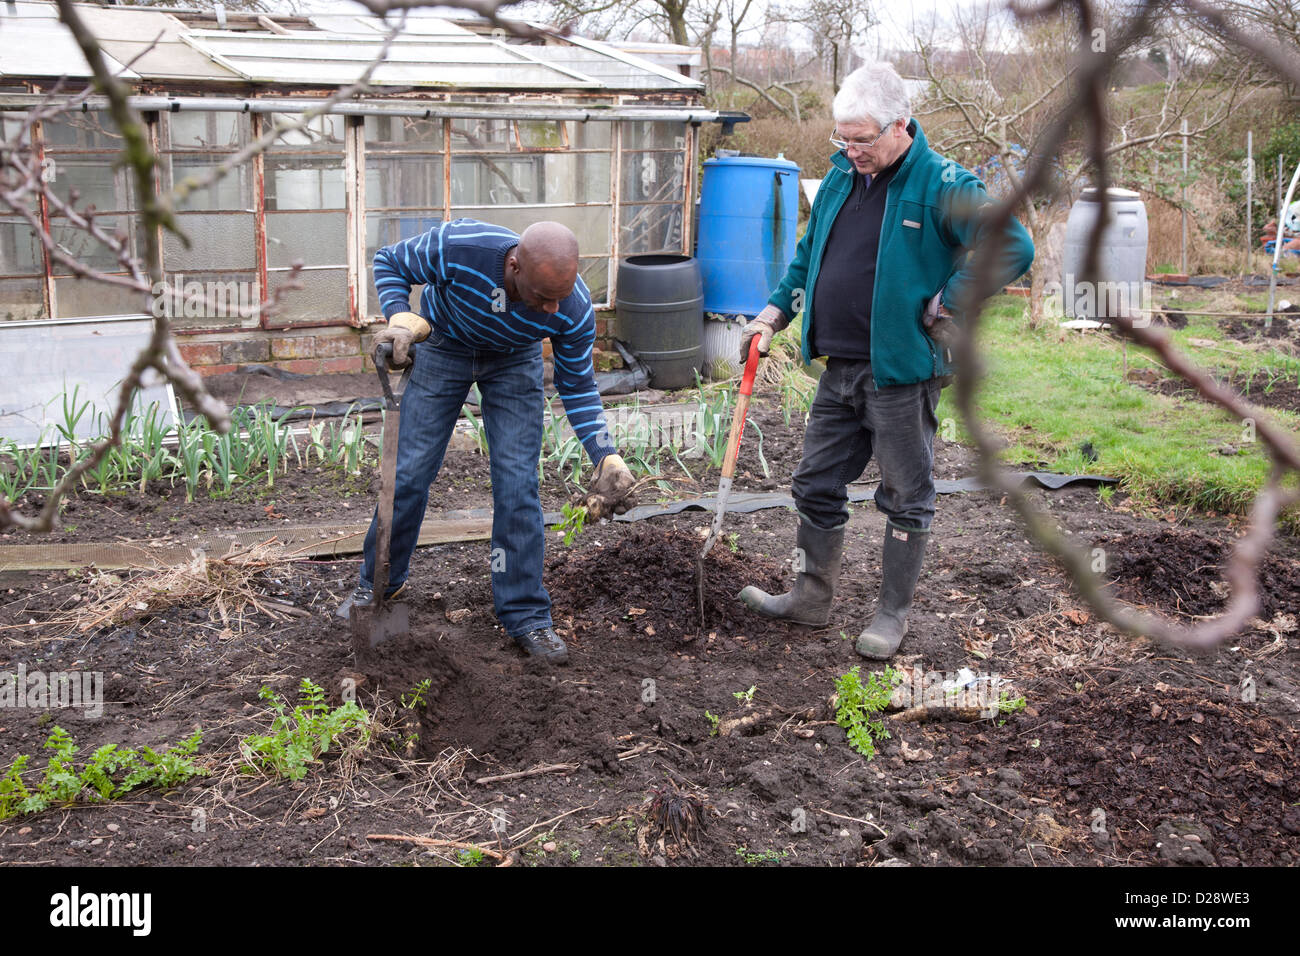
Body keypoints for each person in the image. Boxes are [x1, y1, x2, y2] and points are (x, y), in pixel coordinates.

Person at [736, 62, 1035, 660]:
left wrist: (950, 298)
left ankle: (892, 614)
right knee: (814, 482)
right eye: (842, 139)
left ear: (900, 126)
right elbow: (807, 259)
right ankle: (810, 597)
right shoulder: (843, 178)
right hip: (840, 367)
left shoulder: (944, 182)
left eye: (862, 139)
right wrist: (774, 314)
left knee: (905, 493)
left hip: (901, 371)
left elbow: (1014, 245)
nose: (851, 150)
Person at [337, 219, 635, 664]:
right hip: (443, 346)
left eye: (559, 298)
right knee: (409, 474)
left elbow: (577, 385)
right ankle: (379, 584)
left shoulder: (571, 308)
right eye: (541, 298)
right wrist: (400, 316)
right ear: (514, 266)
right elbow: (390, 261)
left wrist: (604, 454)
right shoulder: (462, 246)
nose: (552, 309)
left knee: (517, 485)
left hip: (514, 362)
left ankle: (526, 615)